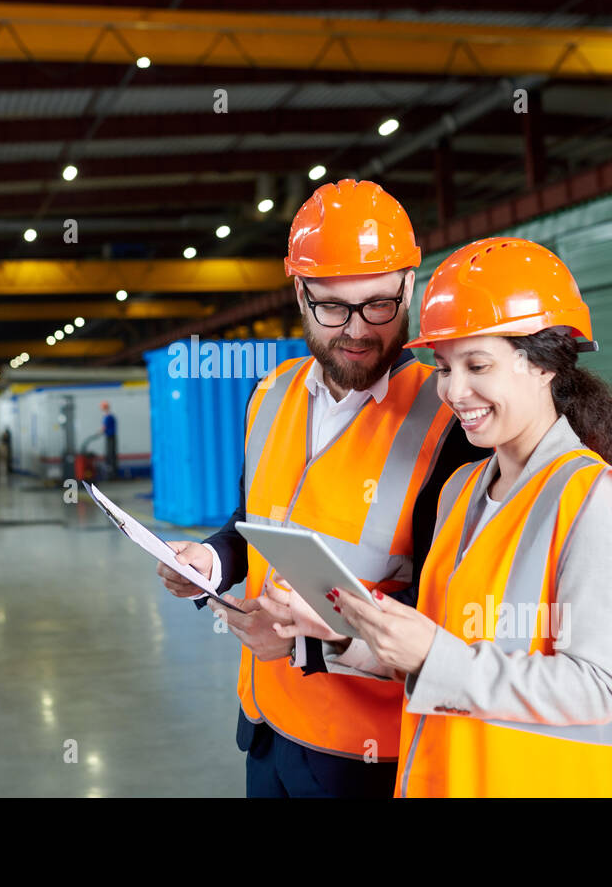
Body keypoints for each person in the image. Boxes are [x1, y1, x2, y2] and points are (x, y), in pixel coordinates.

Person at [270, 237, 612, 797]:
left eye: (478, 365)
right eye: (444, 367)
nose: (454, 391)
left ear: (544, 365)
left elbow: (594, 687)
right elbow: (444, 654)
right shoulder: (461, 491)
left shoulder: (594, 501)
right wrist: (340, 641)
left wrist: (433, 654)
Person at [155, 179, 487, 798]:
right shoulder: (272, 394)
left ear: (410, 287)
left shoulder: (452, 425)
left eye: (378, 305)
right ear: (300, 294)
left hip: (366, 754)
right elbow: (251, 520)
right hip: (265, 725)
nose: (357, 330)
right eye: (332, 307)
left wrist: (311, 636)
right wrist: (212, 559)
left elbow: (454, 611)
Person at [101, 401, 118, 480]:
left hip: (111, 437)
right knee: (109, 455)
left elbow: (104, 427)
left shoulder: (109, 416)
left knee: (111, 455)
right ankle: (110, 473)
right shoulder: (106, 416)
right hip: (109, 437)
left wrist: (101, 431)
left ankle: (112, 475)